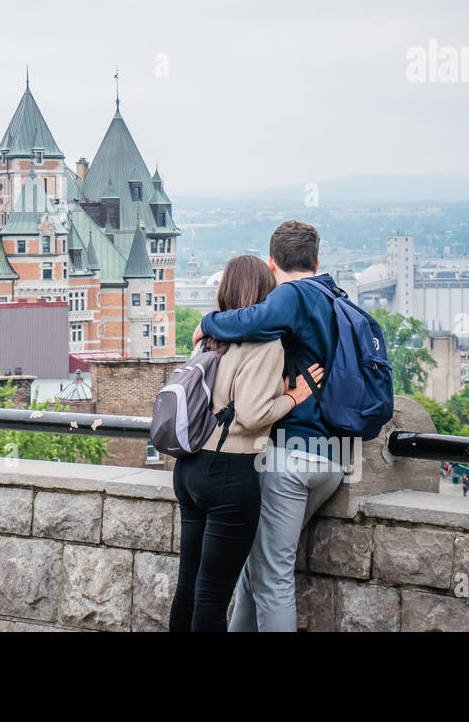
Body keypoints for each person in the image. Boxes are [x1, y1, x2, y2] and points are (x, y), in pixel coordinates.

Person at [191, 220, 346, 632]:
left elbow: (253, 323)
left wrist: (208, 323)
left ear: (273, 264)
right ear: (318, 259)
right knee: (253, 572)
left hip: (289, 456)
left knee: (272, 577)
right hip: (333, 456)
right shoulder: (336, 297)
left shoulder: (293, 296)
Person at [169, 255, 323, 632]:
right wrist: (294, 396)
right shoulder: (265, 345)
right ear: (265, 294)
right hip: (230, 471)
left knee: (187, 585)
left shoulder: (208, 337)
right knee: (213, 594)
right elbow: (252, 414)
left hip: (189, 467)